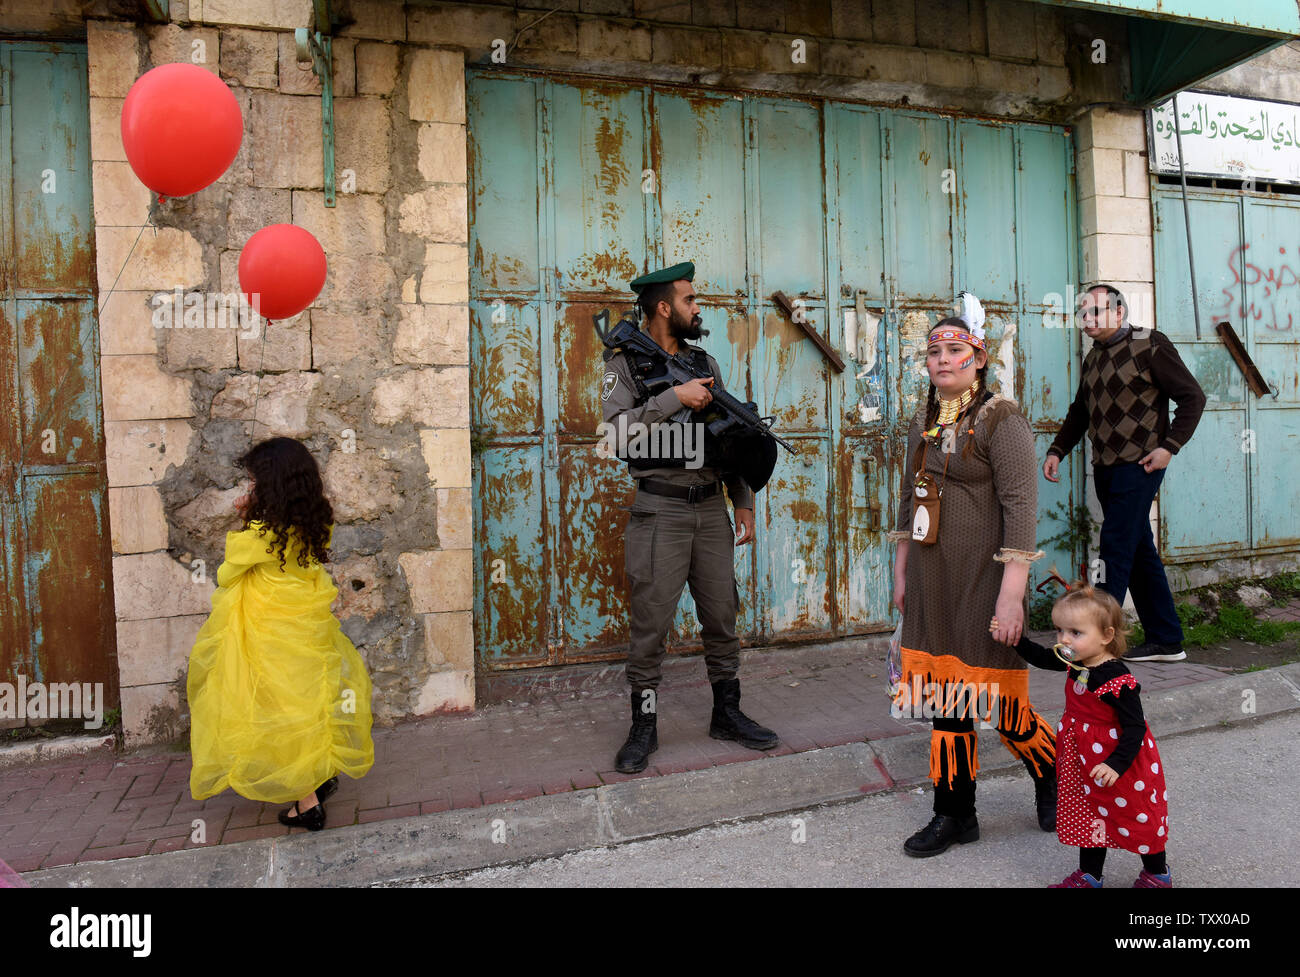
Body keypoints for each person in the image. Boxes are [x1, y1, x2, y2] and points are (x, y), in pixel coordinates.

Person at [890, 295, 1057, 857]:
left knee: (996, 696)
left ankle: (1052, 769)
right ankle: (955, 812)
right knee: (946, 692)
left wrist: (1013, 596)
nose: (942, 360)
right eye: (933, 351)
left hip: (987, 578)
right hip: (933, 575)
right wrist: (902, 570)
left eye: (955, 349)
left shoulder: (1000, 417)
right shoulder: (923, 416)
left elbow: (1021, 506)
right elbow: (909, 496)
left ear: (979, 358)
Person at [601, 260, 778, 775]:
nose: (697, 308)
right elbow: (615, 436)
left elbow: (730, 435)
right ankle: (644, 725)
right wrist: (671, 398)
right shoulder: (624, 365)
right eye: (689, 301)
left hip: (710, 511)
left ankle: (727, 712)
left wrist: (741, 498)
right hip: (659, 510)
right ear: (663, 308)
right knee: (651, 624)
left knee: (722, 616)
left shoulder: (705, 361)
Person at [188, 437, 374, 831]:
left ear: (269, 484)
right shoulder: (316, 521)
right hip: (306, 628)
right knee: (308, 702)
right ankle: (321, 774)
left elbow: (226, 574)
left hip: (267, 633)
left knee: (279, 709)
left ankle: (307, 805)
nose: (251, 488)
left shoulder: (259, 534)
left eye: (255, 482)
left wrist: (244, 520)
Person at [1044, 284, 1206, 662]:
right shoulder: (1093, 359)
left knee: (1115, 548)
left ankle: (1095, 645)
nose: (1087, 320)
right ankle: (1167, 639)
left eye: (1096, 312)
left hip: (1140, 466)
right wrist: (1057, 450)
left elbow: (1192, 397)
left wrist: (1169, 447)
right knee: (1138, 551)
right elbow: (1080, 412)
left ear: (1119, 313)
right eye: (1083, 313)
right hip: (1105, 468)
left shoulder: (1151, 344)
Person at [996, 584, 1172, 887]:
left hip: (1120, 763)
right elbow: (1041, 656)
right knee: (1088, 812)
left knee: (1137, 813)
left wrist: (1116, 764)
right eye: (1060, 630)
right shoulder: (1074, 660)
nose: (1064, 639)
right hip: (1082, 760)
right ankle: (1090, 875)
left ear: (1106, 636)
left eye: (1075, 632)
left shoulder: (1117, 679)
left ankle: (1157, 874)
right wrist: (1014, 638)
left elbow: (1135, 728)